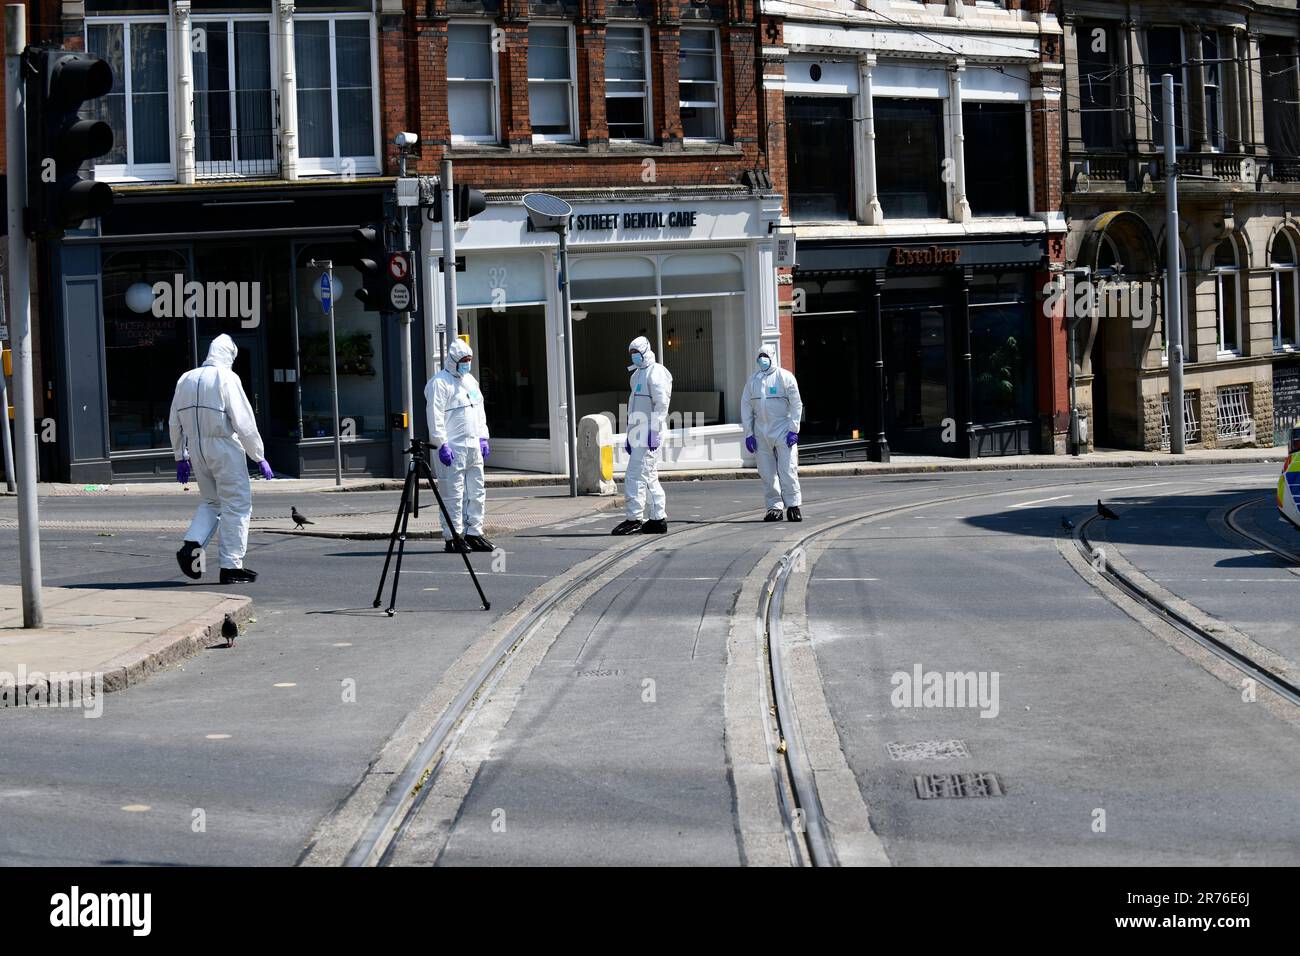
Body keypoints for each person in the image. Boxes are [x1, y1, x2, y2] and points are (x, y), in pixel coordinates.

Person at [169, 334, 273, 584]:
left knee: (211, 502)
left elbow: (174, 420)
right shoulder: (227, 378)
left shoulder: (186, 378)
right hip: (223, 446)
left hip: (197, 449)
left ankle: (191, 546)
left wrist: (180, 456)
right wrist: (258, 456)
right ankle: (231, 566)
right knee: (236, 506)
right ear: (229, 355)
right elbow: (244, 422)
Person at [426, 338, 494, 553]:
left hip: (473, 446)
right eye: (463, 360)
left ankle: (474, 532)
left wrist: (483, 437)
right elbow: (435, 416)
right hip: (453, 448)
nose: (466, 363)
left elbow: (479, 411)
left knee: (476, 491)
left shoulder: (470, 381)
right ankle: (453, 535)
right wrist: (441, 443)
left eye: (469, 360)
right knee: (453, 494)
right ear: (453, 360)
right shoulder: (439, 383)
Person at [612, 335, 673, 535]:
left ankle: (636, 518)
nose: (634, 357)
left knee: (637, 476)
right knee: (647, 475)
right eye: (631, 353)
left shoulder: (657, 373)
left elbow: (662, 403)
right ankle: (656, 519)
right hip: (639, 434)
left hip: (649, 434)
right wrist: (630, 436)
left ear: (645, 351)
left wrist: (654, 431)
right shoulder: (637, 375)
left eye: (636, 353)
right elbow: (633, 409)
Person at [741, 346, 803, 522]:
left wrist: (793, 429)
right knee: (767, 472)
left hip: (783, 430)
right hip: (761, 432)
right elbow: (746, 408)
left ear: (772, 357)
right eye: (759, 356)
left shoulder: (785, 377)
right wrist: (749, 434)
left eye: (765, 356)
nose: (762, 359)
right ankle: (774, 507)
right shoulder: (753, 381)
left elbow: (796, 404)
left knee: (788, 469)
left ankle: (793, 506)